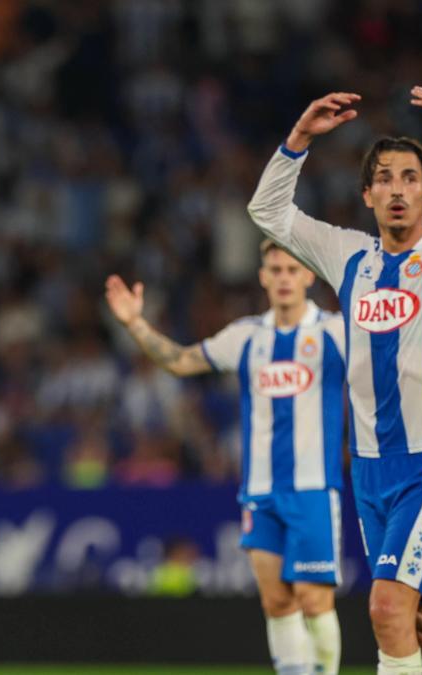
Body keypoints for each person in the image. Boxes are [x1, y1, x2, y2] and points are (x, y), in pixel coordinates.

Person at [248, 87, 422, 675]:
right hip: (371, 466)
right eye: (384, 178)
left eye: (409, 178)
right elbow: (268, 213)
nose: (397, 189)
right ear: (368, 195)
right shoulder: (348, 256)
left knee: (385, 606)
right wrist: (298, 140)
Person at [105, 239, 346, 675]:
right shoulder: (247, 336)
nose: (285, 279)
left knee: (314, 600)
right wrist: (135, 324)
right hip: (259, 491)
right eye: (276, 270)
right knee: (277, 601)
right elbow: (180, 361)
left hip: (313, 489)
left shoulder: (335, 331)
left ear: (310, 276)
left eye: (293, 270)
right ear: (263, 277)